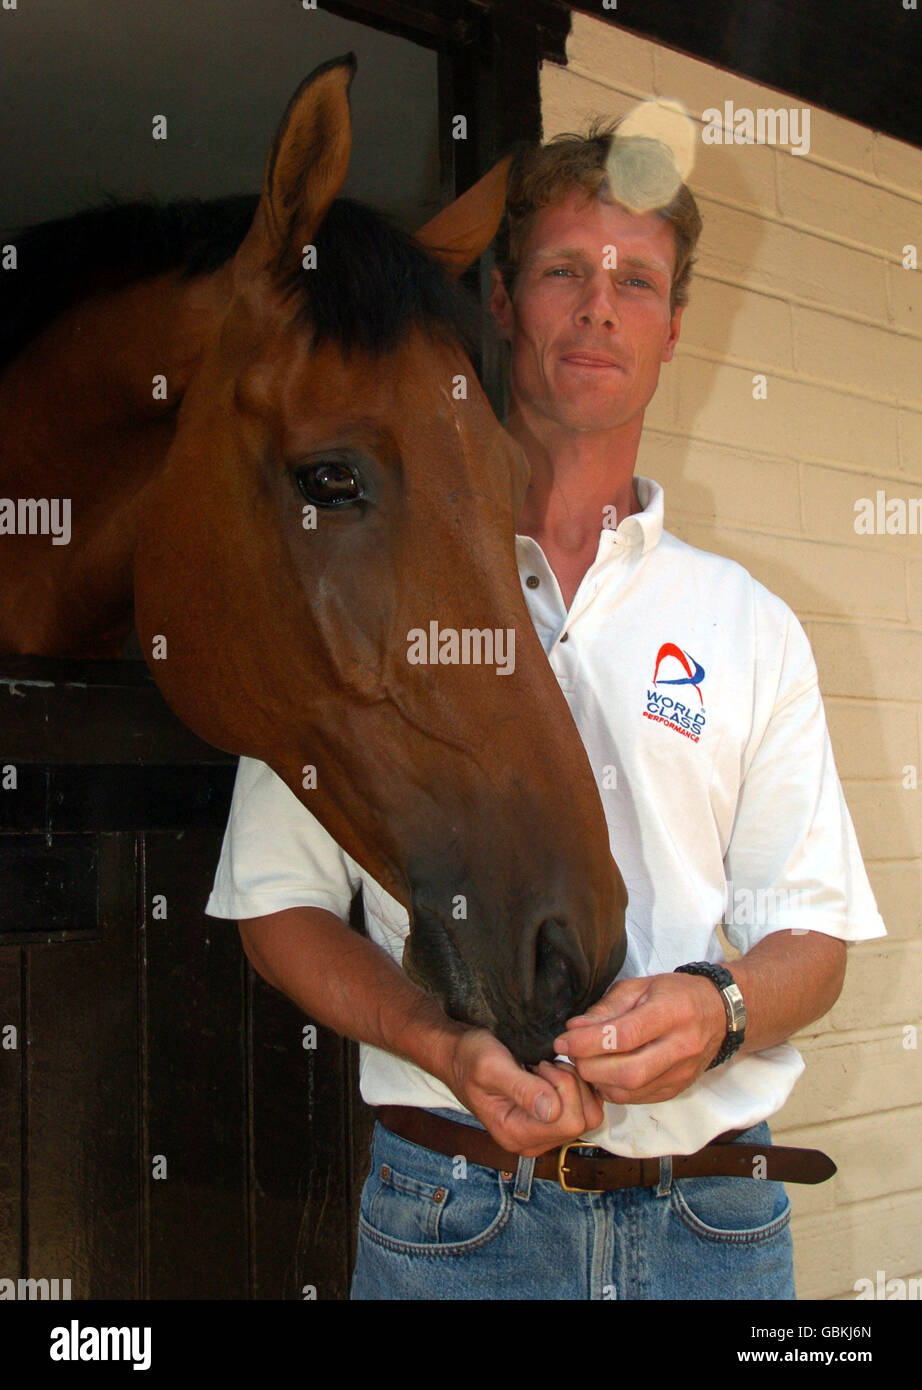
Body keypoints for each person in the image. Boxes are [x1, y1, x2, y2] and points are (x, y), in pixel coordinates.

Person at [205, 122, 886, 1300]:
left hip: (713, 1223)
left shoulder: (751, 626)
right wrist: (443, 1044)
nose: (599, 307)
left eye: (637, 281)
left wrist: (719, 1011)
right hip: (454, 1219)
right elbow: (277, 905)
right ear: (505, 300)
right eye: (565, 270)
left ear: (674, 329)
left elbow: (811, 945)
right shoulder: (360, 578)